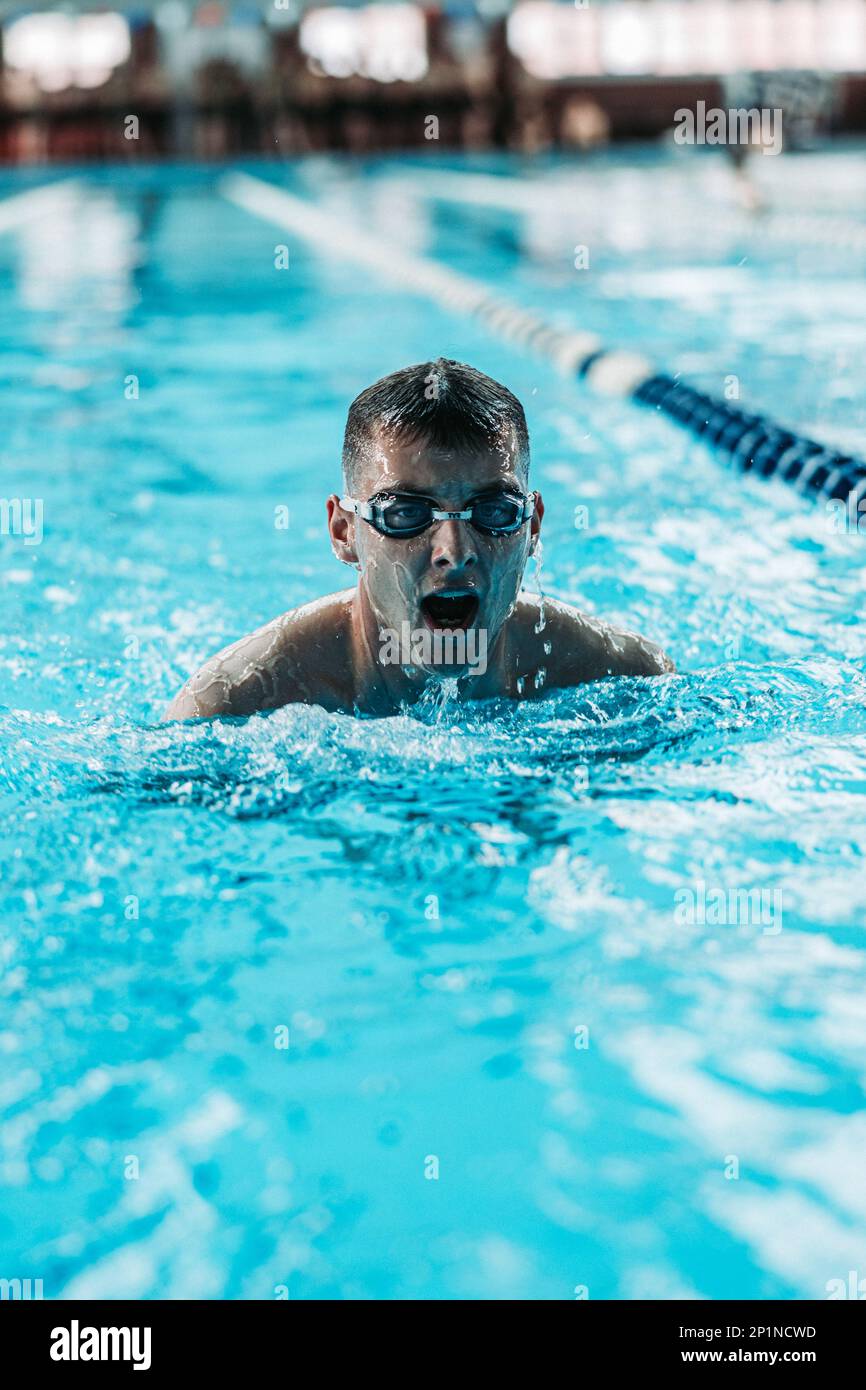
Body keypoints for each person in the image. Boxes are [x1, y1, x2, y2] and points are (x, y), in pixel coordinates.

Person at [164, 359, 673, 720]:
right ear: (344, 532)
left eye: (494, 512)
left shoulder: (622, 678)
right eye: (405, 513)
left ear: (532, 527)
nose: (454, 550)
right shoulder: (238, 702)